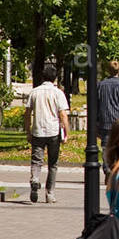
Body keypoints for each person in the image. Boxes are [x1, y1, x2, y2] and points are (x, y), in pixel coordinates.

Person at [24, 63, 69, 203]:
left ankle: (35, 179)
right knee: (53, 164)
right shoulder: (58, 93)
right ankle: (50, 193)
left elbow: (27, 113)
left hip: (38, 130)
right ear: (55, 78)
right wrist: (66, 132)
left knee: (36, 161)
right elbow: (63, 115)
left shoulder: (34, 92)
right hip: (53, 131)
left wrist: (28, 130)